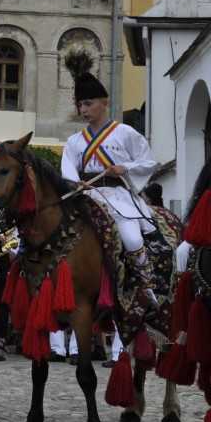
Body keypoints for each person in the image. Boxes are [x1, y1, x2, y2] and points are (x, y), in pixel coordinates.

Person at [59, 50, 159, 306]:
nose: (83, 109)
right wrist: (75, 182)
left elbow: (148, 162)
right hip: (86, 194)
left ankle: (146, 283)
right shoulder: (74, 141)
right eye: (80, 105)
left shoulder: (125, 133)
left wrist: (124, 168)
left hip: (118, 196)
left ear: (104, 102)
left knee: (132, 238)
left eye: (88, 103)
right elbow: (67, 167)